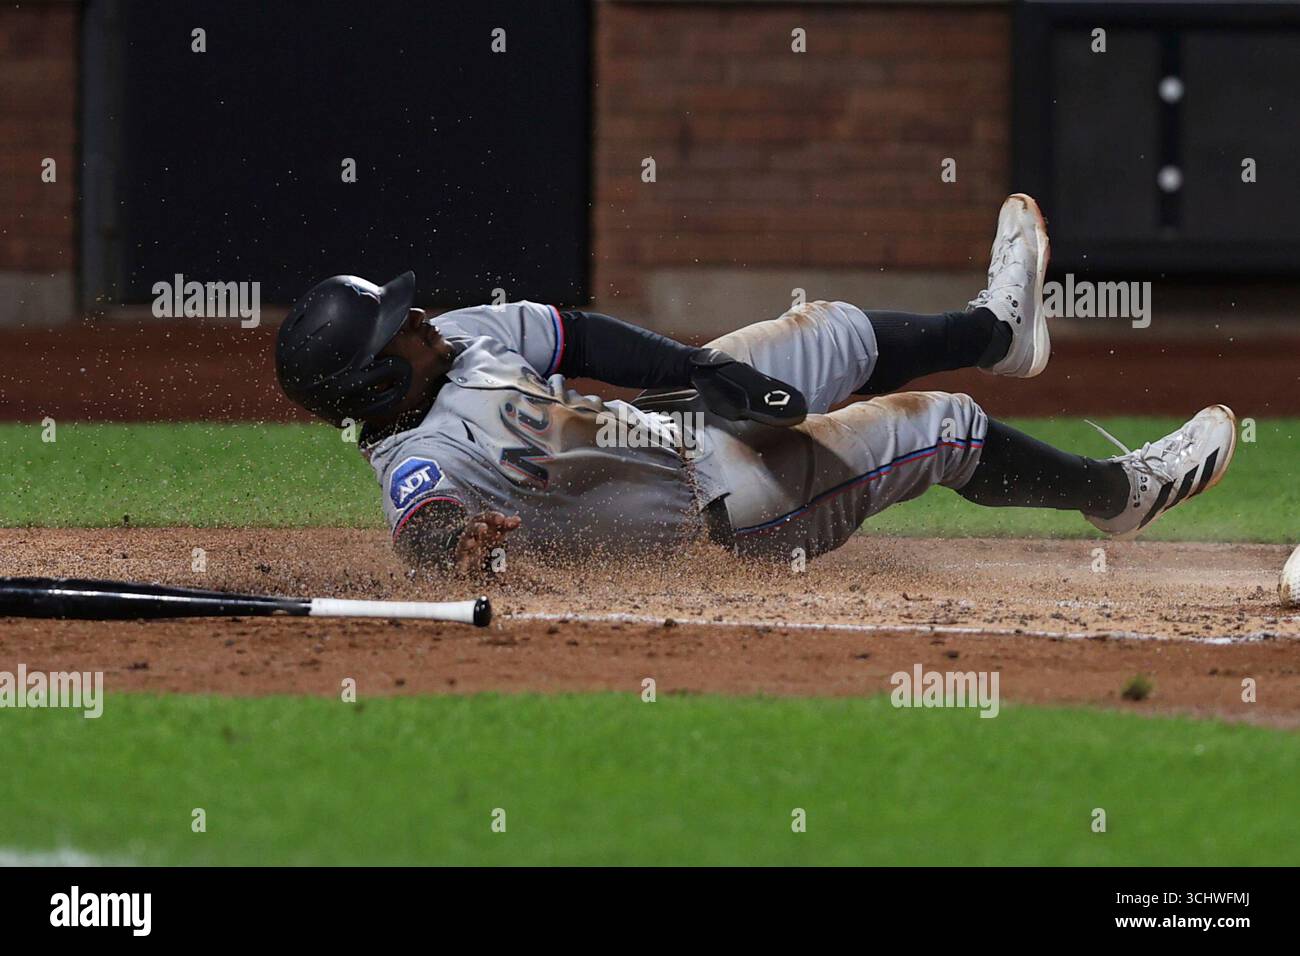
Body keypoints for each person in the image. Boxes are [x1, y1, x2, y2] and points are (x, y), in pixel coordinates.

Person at [275, 194, 1236, 573]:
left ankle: (998, 330)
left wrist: (706, 370)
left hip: (675, 420)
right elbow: (423, 529)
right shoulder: (419, 453)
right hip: (730, 511)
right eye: (389, 327)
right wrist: (461, 545)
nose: (412, 316)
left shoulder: (454, 337)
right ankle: (1123, 494)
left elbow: (583, 332)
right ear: (370, 386)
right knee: (946, 426)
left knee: (823, 334)